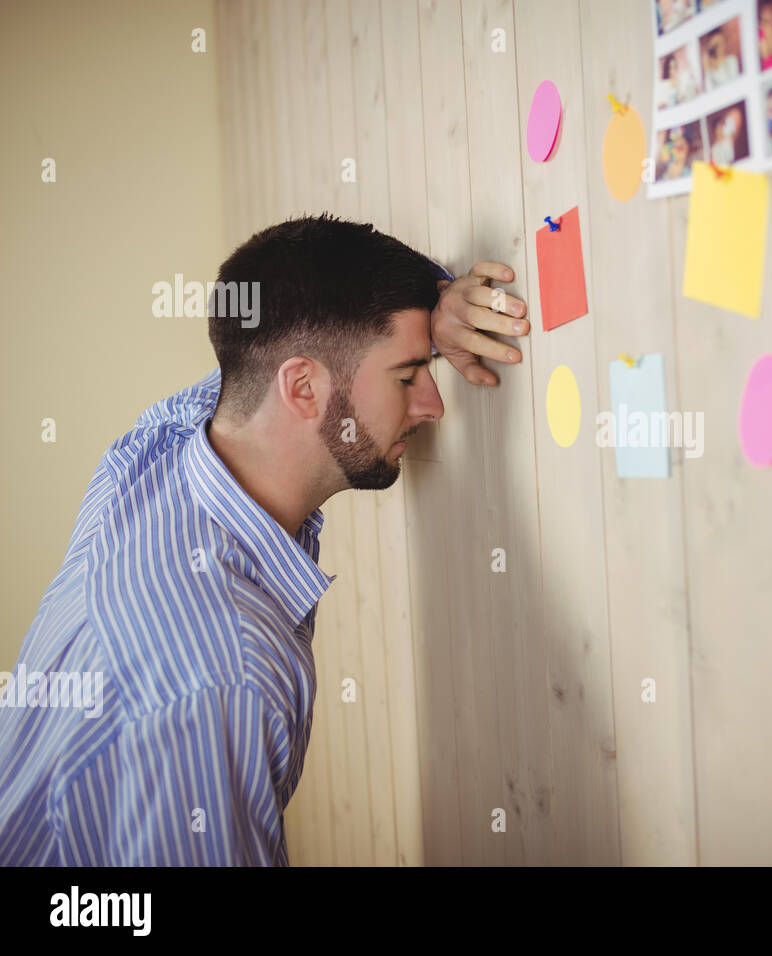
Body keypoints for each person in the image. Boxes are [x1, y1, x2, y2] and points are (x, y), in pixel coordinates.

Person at [0, 215, 530, 865]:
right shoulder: (226, 675)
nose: (432, 405)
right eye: (406, 376)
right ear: (302, 388)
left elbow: (281, 291)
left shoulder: (150, 454)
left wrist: (432, 296)